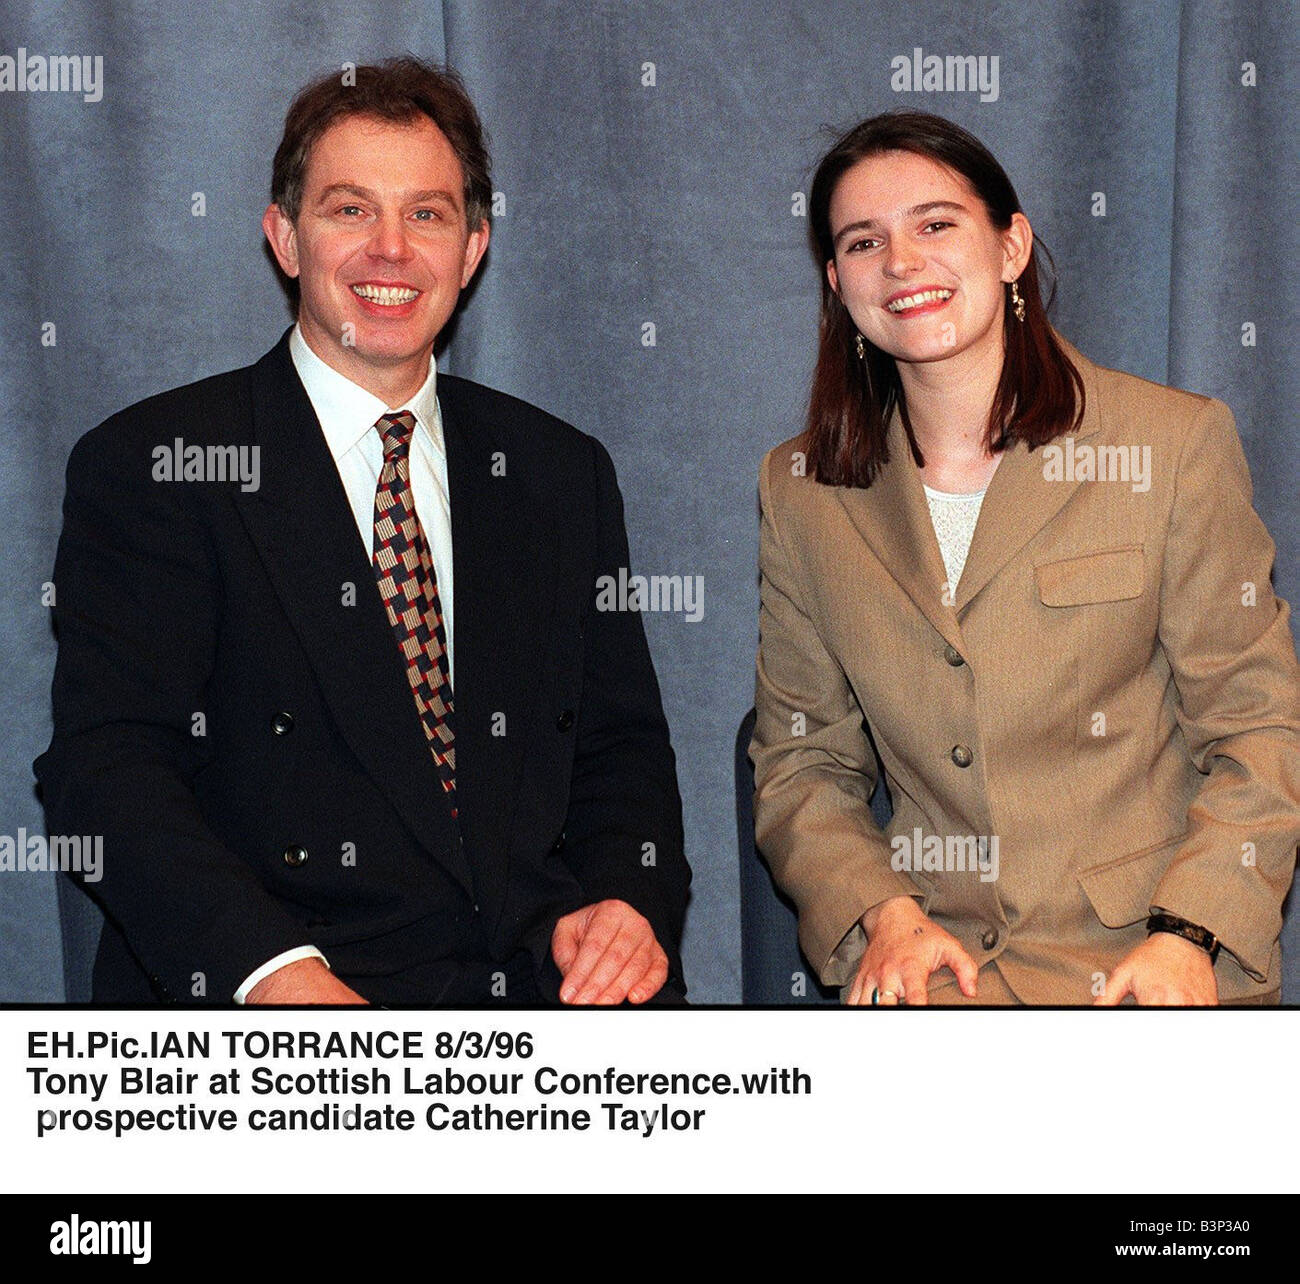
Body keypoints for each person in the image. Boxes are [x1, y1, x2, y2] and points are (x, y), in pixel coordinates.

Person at [35, 57, 690, 1007]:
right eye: (349, 210)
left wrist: (627, 901)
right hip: (272, 1000)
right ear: (284, 239)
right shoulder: (159, 465)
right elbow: (110, 772)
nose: (390, 250)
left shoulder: (558, 472)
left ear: (473, 249)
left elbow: (620, 748)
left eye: (426, 214)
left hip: (546, 1001)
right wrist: (274, 976)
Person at [750, 110, 1299, 1006]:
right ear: (835, 281)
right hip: (934, 978)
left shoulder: (1170, 447)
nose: (901, 263)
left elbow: (1261, 729)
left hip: (1148, 974)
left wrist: (1191, 930)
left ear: (1011, 248)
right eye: (863, 241)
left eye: (935, 224)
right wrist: (881, 911)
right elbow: (801, 762)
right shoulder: (802, 490)